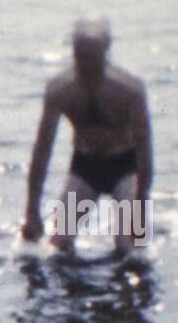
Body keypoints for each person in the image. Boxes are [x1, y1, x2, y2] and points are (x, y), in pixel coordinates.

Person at [21, 18, 153, 254]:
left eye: (93, 58)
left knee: (132, 247)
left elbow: (145, 151)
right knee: (57, 244)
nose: (86, 65)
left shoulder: (129, 90)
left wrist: (140, 205)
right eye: (80, 57)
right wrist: (32, 210)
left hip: (125, 165)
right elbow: (42, 151)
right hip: (85, 166)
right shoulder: (60, 90)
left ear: (106, 51)